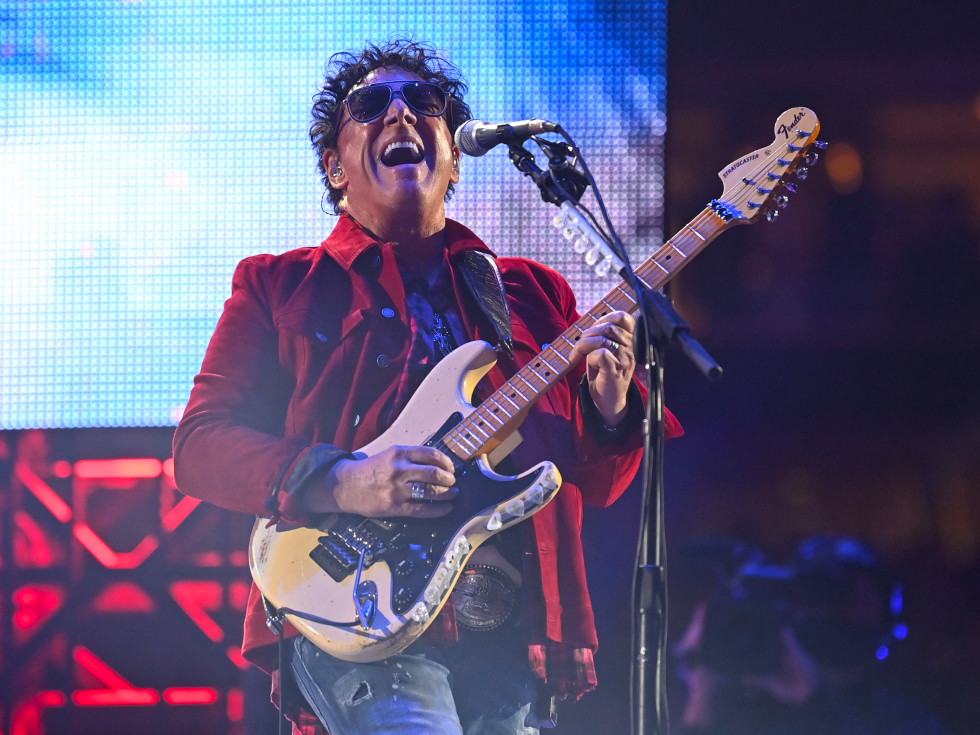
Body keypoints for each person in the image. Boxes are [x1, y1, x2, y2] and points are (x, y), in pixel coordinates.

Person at [172, 39, 682, 735]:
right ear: (335, 167)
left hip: (508, 631)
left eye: (425, 101)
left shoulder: (531, 294)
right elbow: (200, 446)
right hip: (360, 607)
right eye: (371, 104)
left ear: (453, 159)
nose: (402, 112)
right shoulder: (279, 284)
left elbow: (590, 483)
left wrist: (611, 406)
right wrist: (344, 480)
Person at [673, 535, 944, 735]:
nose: (835, 611)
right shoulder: (745, 713)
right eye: (818, 597)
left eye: (857, 600)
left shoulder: (904, 720)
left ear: (886, 612)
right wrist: (702, 695)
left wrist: (812, 699)